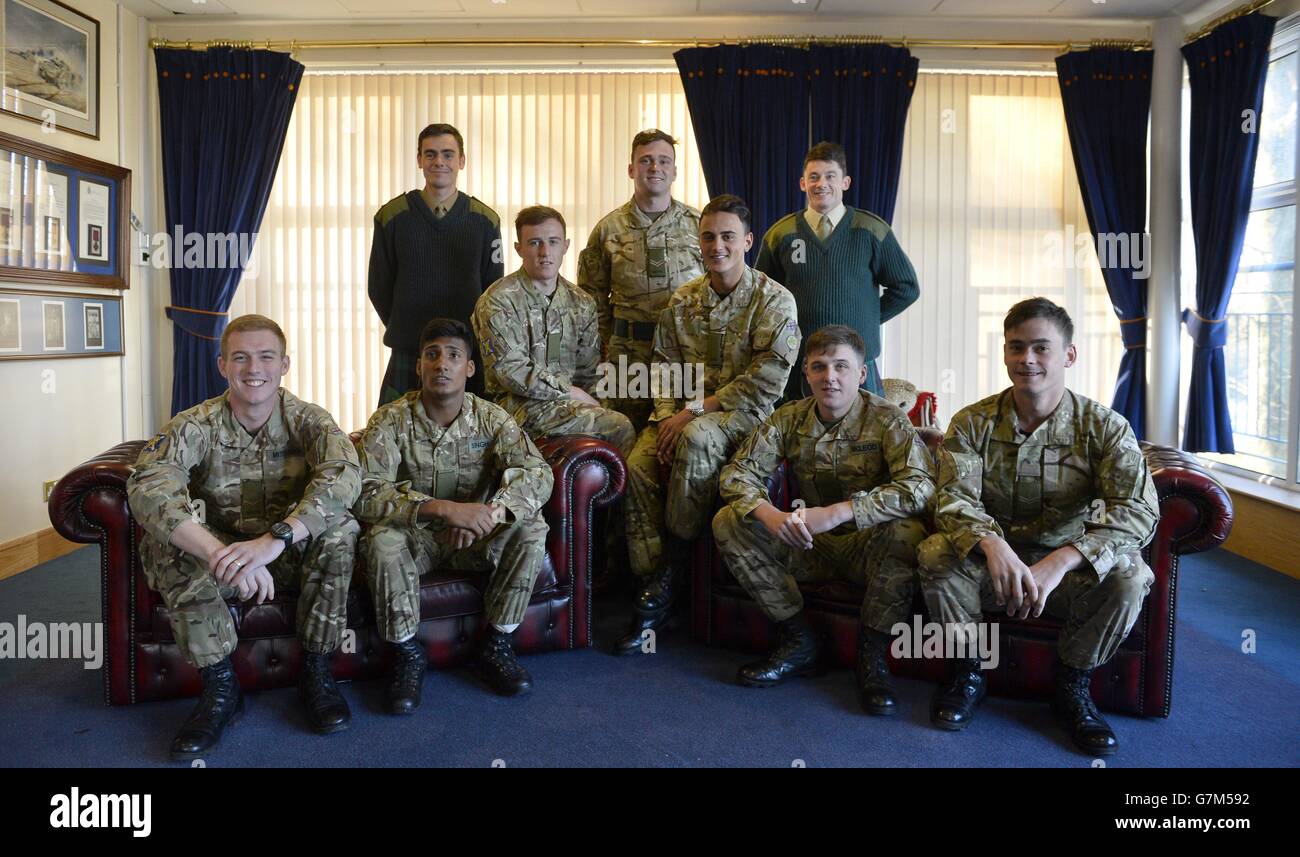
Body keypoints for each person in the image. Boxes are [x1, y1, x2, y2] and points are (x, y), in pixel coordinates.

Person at [917, 297, 1159, 756]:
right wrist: (992, 545)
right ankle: (969, 672)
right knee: (934, 552)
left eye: (1041, 347)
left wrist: (1065, 559)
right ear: (1005, 353)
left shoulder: (1105, 427)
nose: (1027, 358)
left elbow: (1137, 511)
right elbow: (953, 500)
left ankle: (1072, 686)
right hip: (993, 568)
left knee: (1130, 576)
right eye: (1016, 347)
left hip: (1067, 573)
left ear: (1069, 355)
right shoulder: (972, 422)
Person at [127, 314, 362, 760]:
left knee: (341, 530)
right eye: (240, 357)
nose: (254, 368)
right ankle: (220, 686)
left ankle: (316, 670)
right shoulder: (195, 424)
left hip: (286, 550)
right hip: (220, 556)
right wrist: (222, 554)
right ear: (222, 366)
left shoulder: (309, 420)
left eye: (266, 357)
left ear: (284, 364)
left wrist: (273, 542)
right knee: (163, 542)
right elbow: (149, 485)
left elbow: (345, 476)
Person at [712, 325, 934, 712]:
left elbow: (920, 486)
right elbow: (737, 474)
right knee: (729, 521)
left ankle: (872, 658)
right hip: (807, 546)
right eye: (819, 367)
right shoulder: (788, 418)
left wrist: (840, 512)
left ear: (861, 374)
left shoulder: (887, 419)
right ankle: (799, 641)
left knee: (907, 532)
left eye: (841, 367)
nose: (830, 377)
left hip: (868, 549)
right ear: (807, 373)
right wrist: (770, 515)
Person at [616, 194, 799, 654]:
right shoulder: (683, 300)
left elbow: (766, 381)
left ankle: (673, 569)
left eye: (728, 237)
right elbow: (662, 368)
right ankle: (650, 583)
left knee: (696, 438)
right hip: (682, 414)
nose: (717, 246)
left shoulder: (775, 300)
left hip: (744, 417)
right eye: (709, 237)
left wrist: (692, 412)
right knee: (637, 463)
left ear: (748, 241)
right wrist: (665, 420)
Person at [355, 318, 553, 704]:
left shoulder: (492, 418)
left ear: (470, 368)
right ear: (419, 366)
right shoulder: (390, 420)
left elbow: (537, 473)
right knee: (381, 539)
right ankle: (407, 653)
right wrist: (445, 510)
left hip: (477, 537)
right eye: (432, 355)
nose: (442, 364)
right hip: (419, 539)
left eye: (453, 356)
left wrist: (490, 515)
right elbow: (366, 491)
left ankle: (496, 644)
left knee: (531, 527)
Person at [755, 141, 919, 400]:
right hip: (799, 362)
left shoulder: (871, 230)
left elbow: (907, 288)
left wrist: (866, 320)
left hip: (857, 360)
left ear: (845, 182)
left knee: (866, 426)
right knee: (795, 427)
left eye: (830, 176)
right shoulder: (780, 233)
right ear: (803, 183)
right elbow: (763, 297)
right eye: (814, 177)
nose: (821, 183)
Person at [472, 205, 635, 456]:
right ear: (519, 248)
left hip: (569, 406)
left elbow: (588, 372)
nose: (545, 252)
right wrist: (569, 392)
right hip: (515, 407)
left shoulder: (581, 302)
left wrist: (598, 403)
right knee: (620, 427)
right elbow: (510, 371)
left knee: (620, 417)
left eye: (553, 241)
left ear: (566, 246)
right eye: (534, 242)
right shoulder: (498, 300)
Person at [577, 129, 704, 431]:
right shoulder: (608, 230)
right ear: (631, 169)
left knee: (680, 434)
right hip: (627, 357)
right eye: (645, 160)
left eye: (664, 161)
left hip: (685, 355)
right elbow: (590, 301)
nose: (655, 167)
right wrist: (601, 351)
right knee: (624, 433)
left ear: (675, 171)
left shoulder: (700, 226)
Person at [368, 123, 503, 405]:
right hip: (409, 350)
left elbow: (493, 292)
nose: (439, 161)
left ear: (461, 161)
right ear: (419, 160)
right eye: (430, 154)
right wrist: (407, 324)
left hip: (465, 354)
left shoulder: (485, 220)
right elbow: (379, 286)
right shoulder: (392, 217)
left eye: (447, 154)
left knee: (471, 431)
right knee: (394, 428)